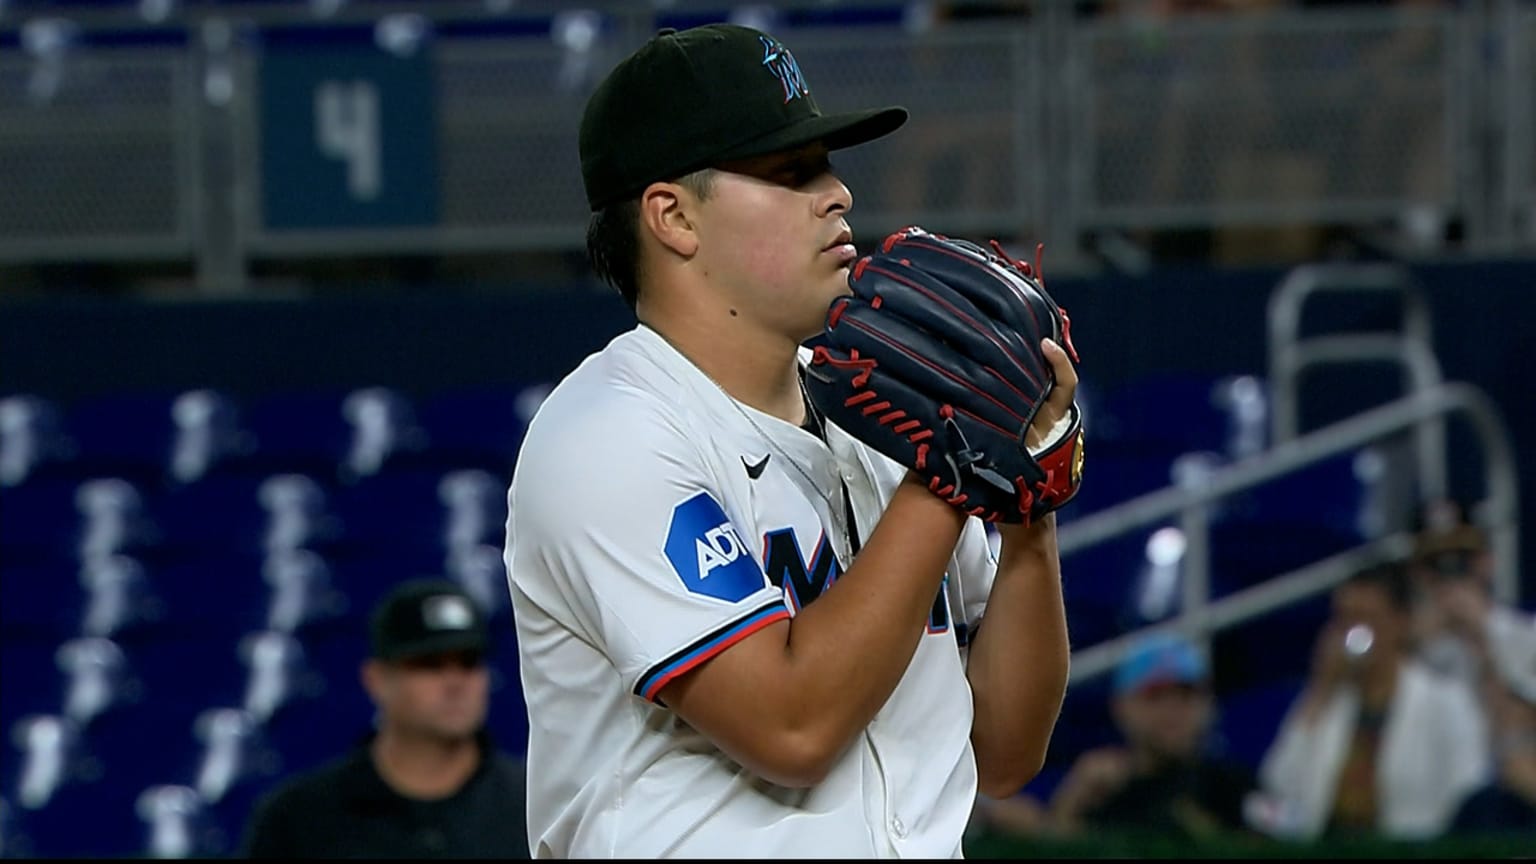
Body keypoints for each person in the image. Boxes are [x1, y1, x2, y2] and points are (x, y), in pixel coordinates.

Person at [503, 21, 1077, 858]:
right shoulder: (606, 437)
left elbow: (1005, 753)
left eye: (829, 166)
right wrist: (956, 472)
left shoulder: (889, 413)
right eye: (790, 172)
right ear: (673, 217)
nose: (837, 193)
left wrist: (1026, 508)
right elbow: (791, 725)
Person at [239, 579, 531, 858]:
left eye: (468, 664)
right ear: (376, 680)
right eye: (429, 665)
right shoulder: (298, 819)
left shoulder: (533, 806)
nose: (455, 683)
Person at [1251, 561, 1491, 843]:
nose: (1353, 634)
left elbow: (1469, 797)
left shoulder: (1447, 703)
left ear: (1401, 622)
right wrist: (1320, 692)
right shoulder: (1326, 701)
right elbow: (1276, 789)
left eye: (1366, 619)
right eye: (1344, 620)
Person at [1043, 632, 1260, 842]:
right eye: (1154, 695)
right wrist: (1070, 802)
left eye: (1186, 694)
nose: (1172, 708)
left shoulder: (1234, 788)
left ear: (1208, 705)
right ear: (1121, 707)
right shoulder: (1103, 793)